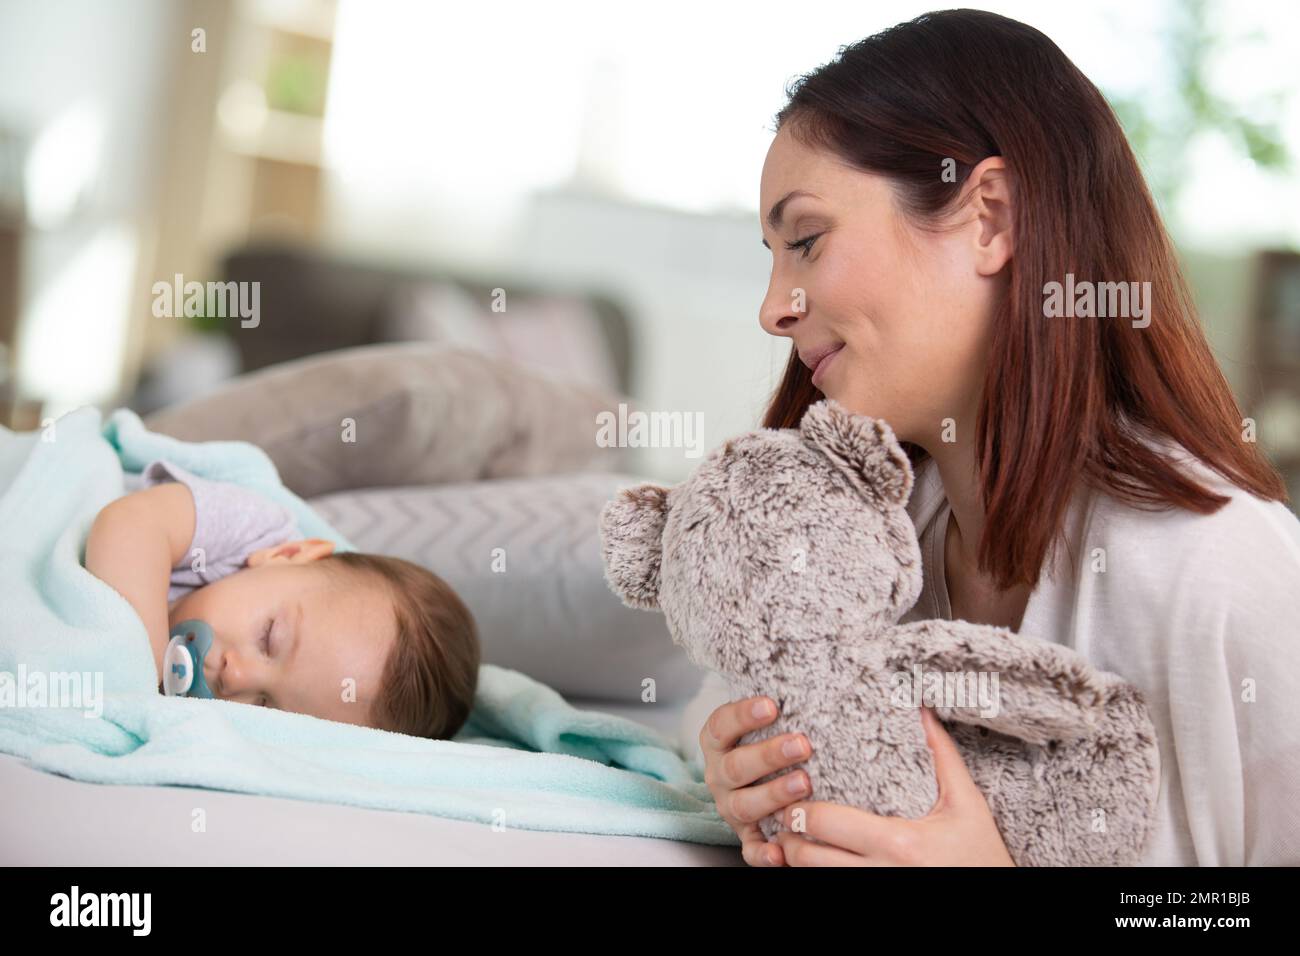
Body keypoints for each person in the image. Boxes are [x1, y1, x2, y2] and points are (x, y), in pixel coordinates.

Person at [696, 8, 1300, 867]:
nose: (774, 309)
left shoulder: (1221, 574)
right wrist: (745, 777)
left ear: (990, 217)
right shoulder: (854, 550)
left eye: (806, 241)